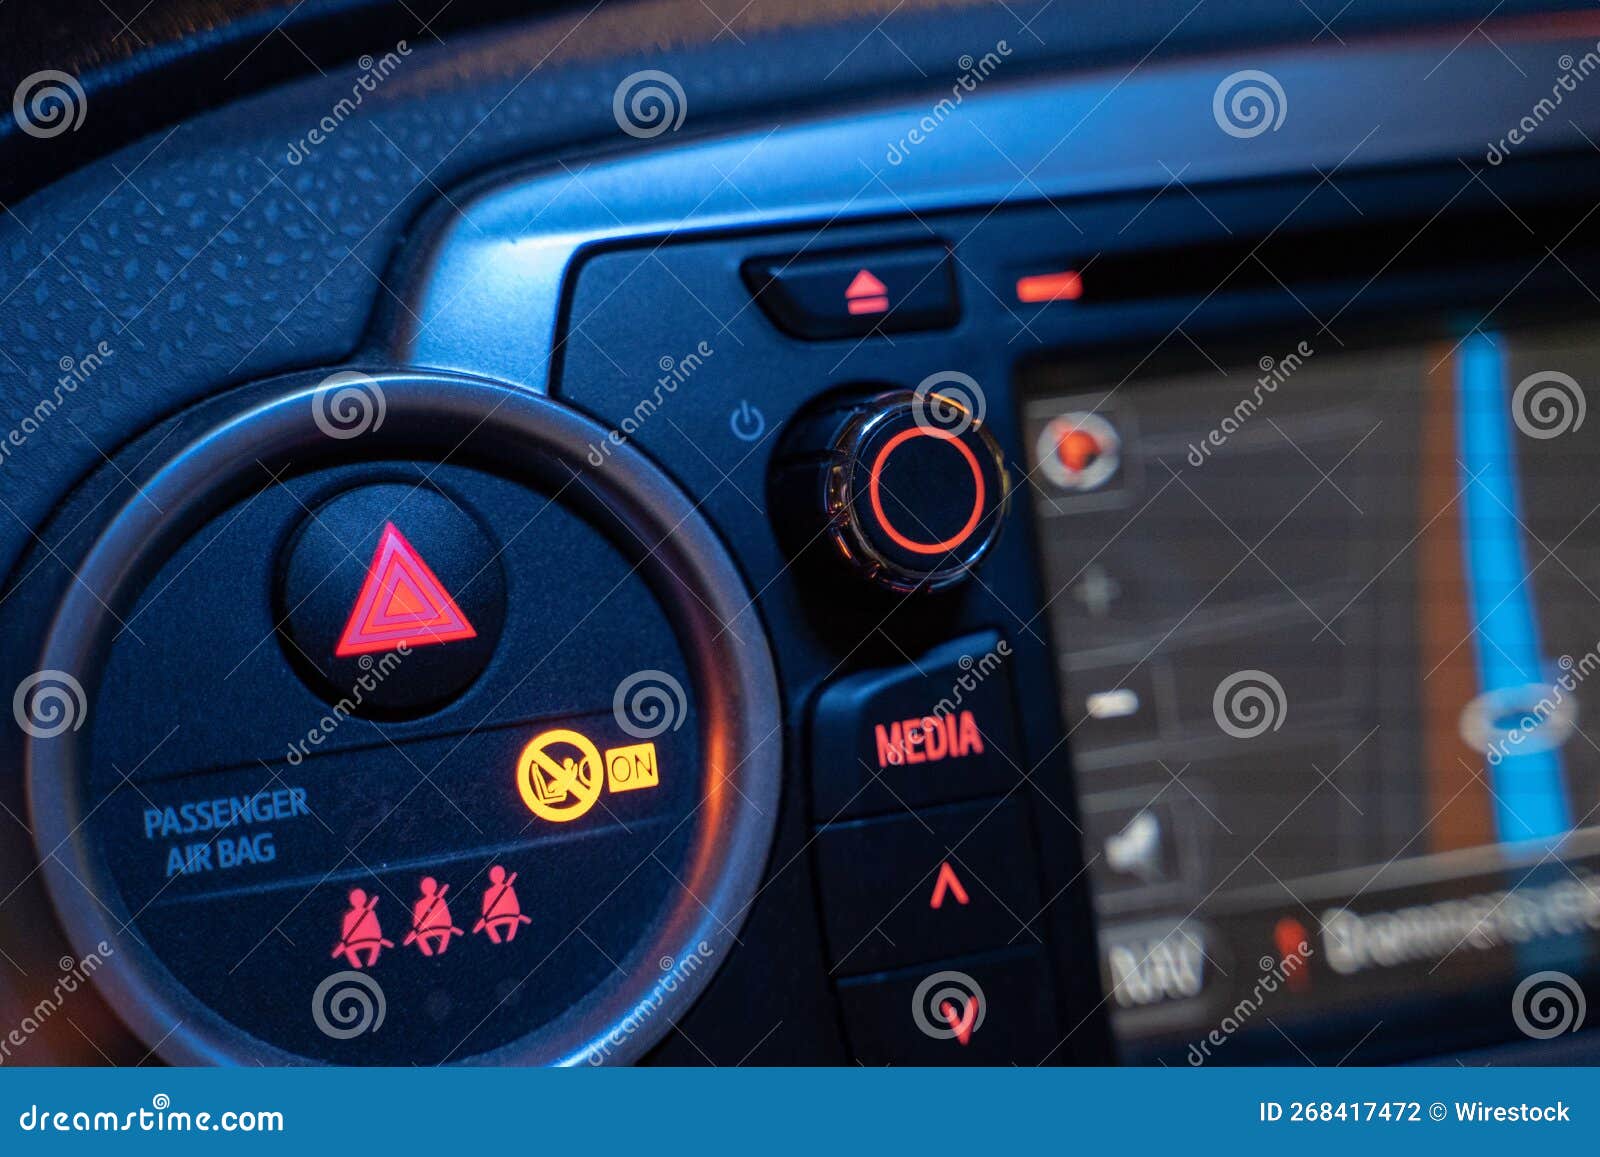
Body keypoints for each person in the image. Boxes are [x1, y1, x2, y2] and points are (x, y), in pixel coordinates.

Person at [332, 888, 393, 969]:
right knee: (376, 946)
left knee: (349, 950)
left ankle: (361, 966)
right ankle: (367, 966)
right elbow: (377, 929)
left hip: (356, 942)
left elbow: (345, 934)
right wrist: (379, 939)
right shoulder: (368, 913)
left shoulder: (349, 916)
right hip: (370, 940)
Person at [404, 877, 464, 957]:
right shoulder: (441, 901)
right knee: (446, 934)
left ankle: (430, 953)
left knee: (420, 937)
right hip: (443, 929)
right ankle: (440, 951)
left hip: (426, 931)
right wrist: (449, 927)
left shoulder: (419, 904)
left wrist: (418, 929)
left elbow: (415, 923)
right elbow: (447, 918)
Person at [473, 864, 532, 944]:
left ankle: (500, 940)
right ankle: (507, 940)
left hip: (494, 918)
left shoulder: (488, 893)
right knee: (514, 922)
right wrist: (516, 914)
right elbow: (515, 906)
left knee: (489, 925)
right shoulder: (508, 889)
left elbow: (485, 911)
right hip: (510, 916)